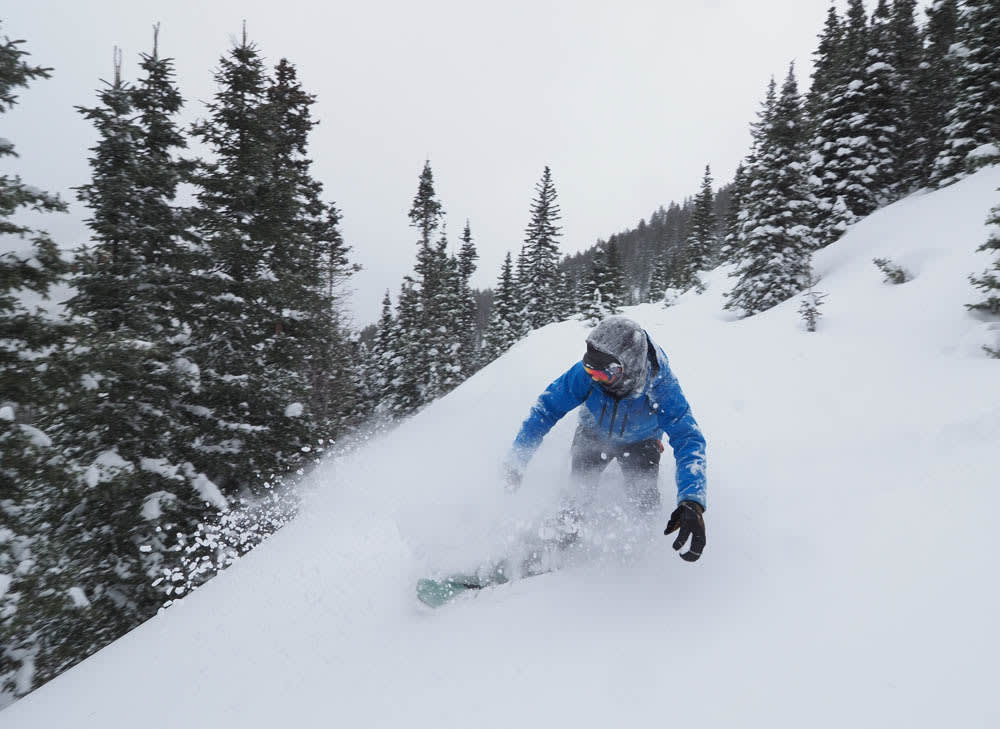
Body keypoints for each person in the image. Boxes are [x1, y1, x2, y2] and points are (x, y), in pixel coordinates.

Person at [504, 315, 707, 562]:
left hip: (642, 442)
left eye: (604, 374)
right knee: (577, 495)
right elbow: (546, 410)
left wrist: (692, 501)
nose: (594, 378)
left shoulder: (661, 387)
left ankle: (638, 555)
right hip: (592, 434)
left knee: (644, 502)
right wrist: (517, 459)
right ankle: (559, 545)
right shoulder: (586, 375)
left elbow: (688, 438)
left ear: (629, 368)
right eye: (590, 369)